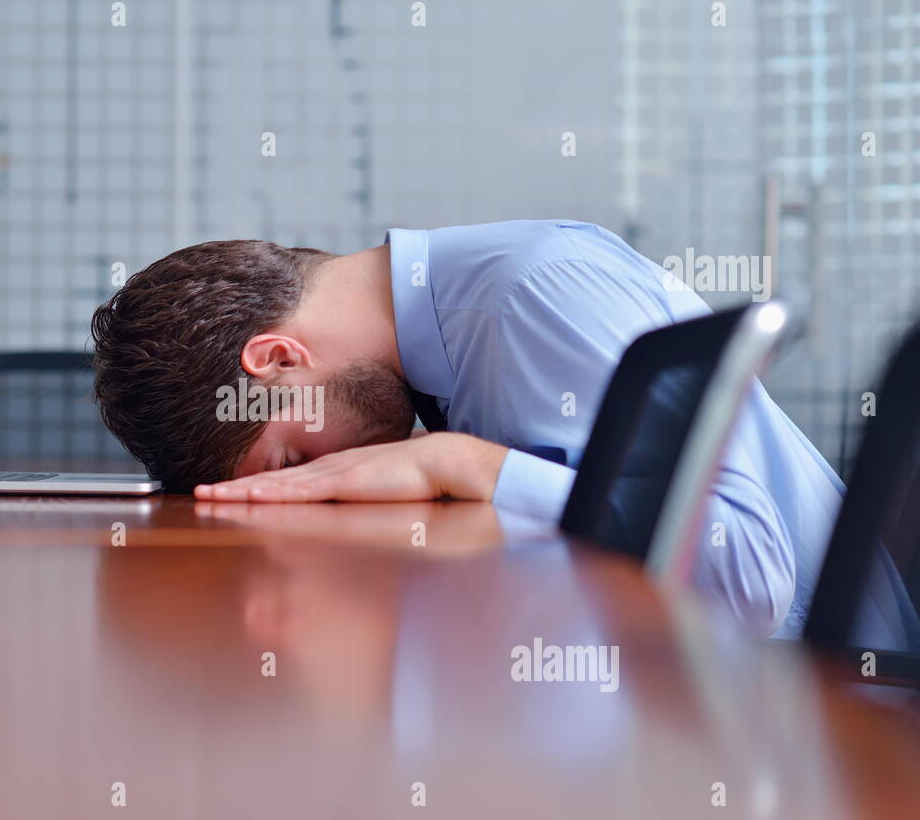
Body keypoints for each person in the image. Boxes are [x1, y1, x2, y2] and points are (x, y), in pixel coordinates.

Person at [90, 220, 846, 636]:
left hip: (829, 716)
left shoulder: (530, 298)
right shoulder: (445, 354)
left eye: (291, 456)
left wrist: (470, 465)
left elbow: (748, 575)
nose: (319, 478)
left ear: (278, 359)